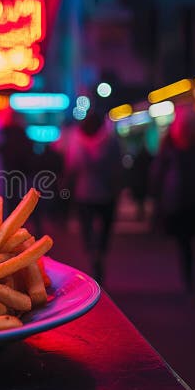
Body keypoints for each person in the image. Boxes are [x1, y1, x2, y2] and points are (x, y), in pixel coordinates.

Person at [151, 107, 195, 302]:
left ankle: (190, 282)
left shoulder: (170, 145)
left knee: (186, 245)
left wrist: (157, 197)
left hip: (179, 202)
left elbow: (158, 174)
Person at [65, 111, 121, 284]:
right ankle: (100, 253)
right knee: (105, 227)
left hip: (84, 192)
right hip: (107, 192)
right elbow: (118, 166)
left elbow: (71, 166)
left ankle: (91, 254)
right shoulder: (111, 141)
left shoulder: (78, 142)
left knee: (87, 228)